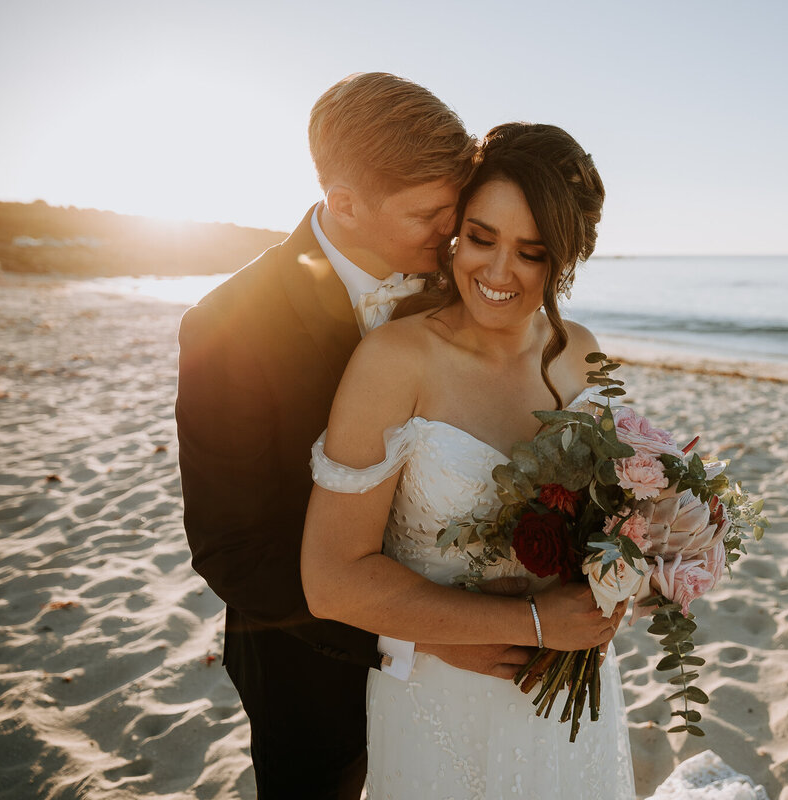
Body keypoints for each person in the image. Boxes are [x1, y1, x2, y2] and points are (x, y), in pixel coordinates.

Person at [176, 73, 529, 800]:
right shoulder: (226, 325)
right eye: (429, 215)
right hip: (311, 670)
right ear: (344, 204)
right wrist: (411, 632)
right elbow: (231, 550)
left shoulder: (456, 287)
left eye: (454, 210)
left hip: (467, 661)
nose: (453, 234)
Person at [301, 122, 636, 798]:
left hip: (572, 700)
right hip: (438, 696)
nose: (497, 272)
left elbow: (615, 519)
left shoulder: (583, 354)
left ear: (566, 258)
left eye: (532, 252)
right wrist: (536, 624)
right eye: (481, 238)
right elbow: (331, 580)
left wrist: (618, 585)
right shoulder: (396, 361)